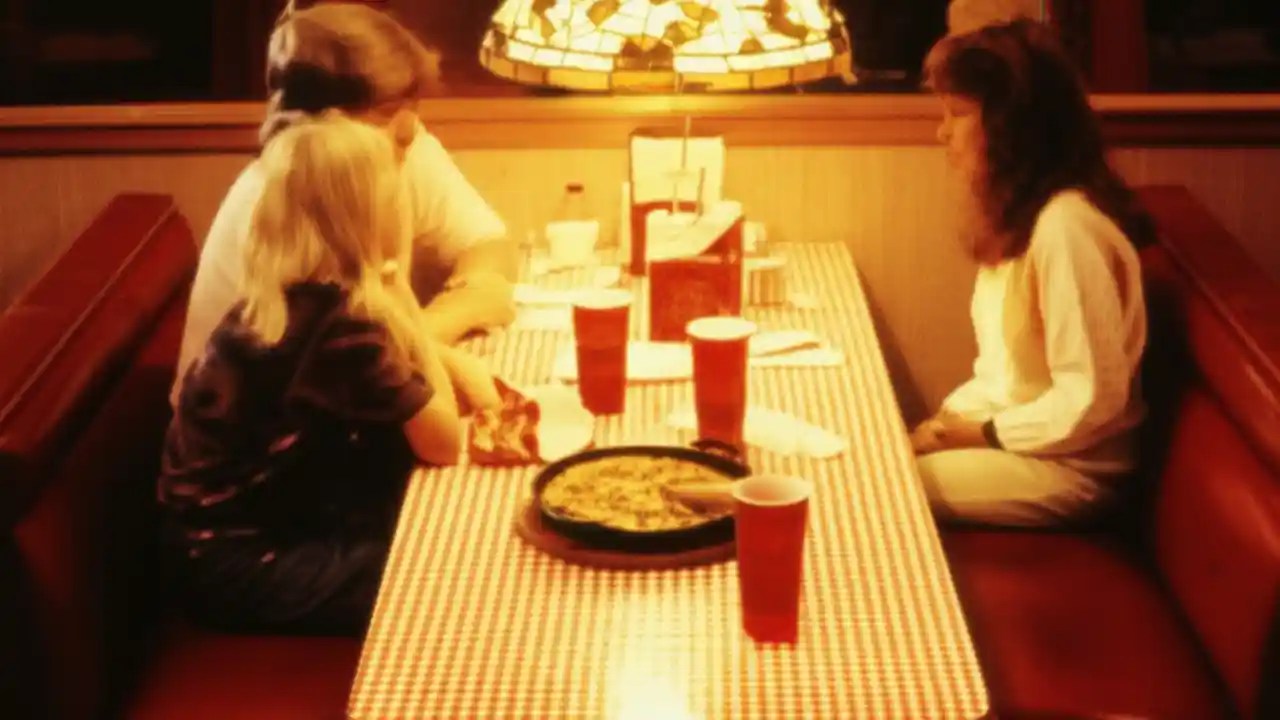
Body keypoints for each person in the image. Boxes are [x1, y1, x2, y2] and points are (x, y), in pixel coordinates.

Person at [160, 113, 466, 634]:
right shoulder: (340, 329)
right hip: (242, 565)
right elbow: (445, 440)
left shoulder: (291, 299)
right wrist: (405, 296)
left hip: (212, 544)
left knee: (441, 532)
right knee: (444, 580)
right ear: (368, 219)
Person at [173, 1, 515, 407]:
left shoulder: (401, 143)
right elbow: (334, 371)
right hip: (257, 450)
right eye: (390, 114)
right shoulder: (280, 206)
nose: (409, 130)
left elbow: (490, 251)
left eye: (409, 108)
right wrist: (430, 348)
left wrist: (427, 330)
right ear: (325, 129)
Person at [910, 19, 1155, 527]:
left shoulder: (1067, 228)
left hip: (1073, 469)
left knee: (881, 492)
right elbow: (1003, 375)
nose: (942, 132)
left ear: (1010, 127)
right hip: (1024, 448)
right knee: (874, 460)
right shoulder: (1020, 218)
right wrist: (942, 424)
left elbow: (1090, 398)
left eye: (958, 114)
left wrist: (982, 433)